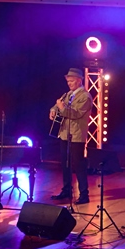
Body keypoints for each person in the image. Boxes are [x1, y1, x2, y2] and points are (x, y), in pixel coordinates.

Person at [50, 68, 93, 204]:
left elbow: (75, 114)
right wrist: (53, 110)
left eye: (72, 81)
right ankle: (67, 190)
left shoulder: (85, 97)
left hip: (76, 135)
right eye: (68, 81)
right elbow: (57, 106)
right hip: (64, 134)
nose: (69, 83)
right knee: (65, 164)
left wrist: (61, 108)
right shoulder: (68, 94)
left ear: (79, 80)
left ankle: (84, 195)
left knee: (78, 165)